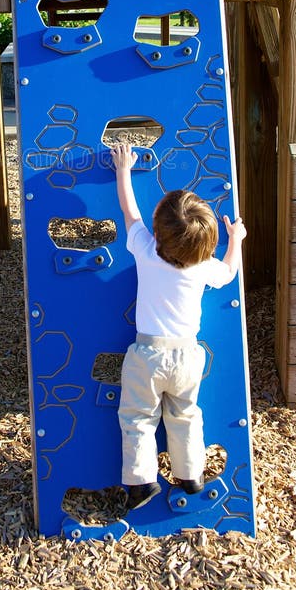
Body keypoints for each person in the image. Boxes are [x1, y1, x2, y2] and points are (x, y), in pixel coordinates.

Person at [111, 142, 247, 511]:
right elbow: (230, 271)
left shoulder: (146, 248)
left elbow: (129, 211)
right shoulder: (204, 266)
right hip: (188, 355)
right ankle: (191, 474)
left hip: (148, 354)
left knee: (138, 418)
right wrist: (236, 239)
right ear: (207, 243)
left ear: (158, 232)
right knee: (185, 414)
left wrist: (123, 169)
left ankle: (141, 484)